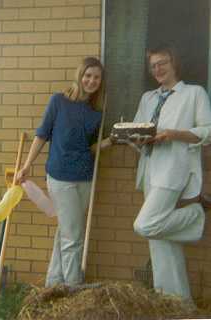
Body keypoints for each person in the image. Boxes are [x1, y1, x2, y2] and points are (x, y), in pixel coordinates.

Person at [16, 56, 111, 287]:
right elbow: (41, 134)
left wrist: (109, 142)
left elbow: (88, 147)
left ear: (100, 82)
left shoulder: (96, 112)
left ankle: (54, 283)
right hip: (60, 177)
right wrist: (27, 165)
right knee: (73, 237)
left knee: (68, 231)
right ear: (80, 75)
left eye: (96, 77)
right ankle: (73, 286)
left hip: (85, 177)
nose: (91, 81)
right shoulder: (58, 101)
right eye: (88, 75)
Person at [132, 44, 211, 300]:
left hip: (174, 171)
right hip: (150, 170)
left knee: (146, 225)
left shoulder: (194, 93)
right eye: (153, 66)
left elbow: (207, 131)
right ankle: (175, 303)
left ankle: (194, 215)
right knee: (161, 242)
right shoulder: (148, 98)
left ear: (174, 62)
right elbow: (138, 128)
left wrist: (174, 134)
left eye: (162, 63)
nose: (157, 69)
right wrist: (135, 138)